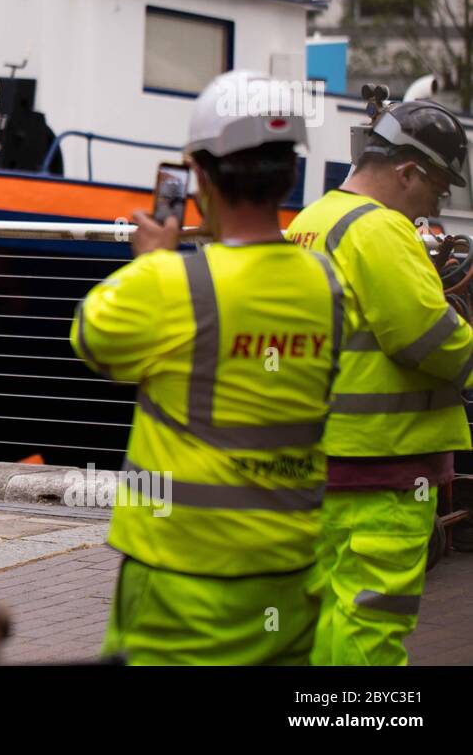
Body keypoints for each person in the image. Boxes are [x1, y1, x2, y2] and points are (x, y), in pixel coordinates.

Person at [72, 70, 343, 664]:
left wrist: (149, 262)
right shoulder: (329, 284)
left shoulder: (174, 284)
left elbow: (90, 339)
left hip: (181, 573)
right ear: (290, 174)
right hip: (293, 570)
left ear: (199, 177)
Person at [286, 97, 473, 665]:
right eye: (438, 188)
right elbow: (434, 345)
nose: (436, 202)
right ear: (408, 171)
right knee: (372, 620)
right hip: (384, 466)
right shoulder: (383, 232)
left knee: (327, 611)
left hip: (317, 457)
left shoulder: (310, 221)